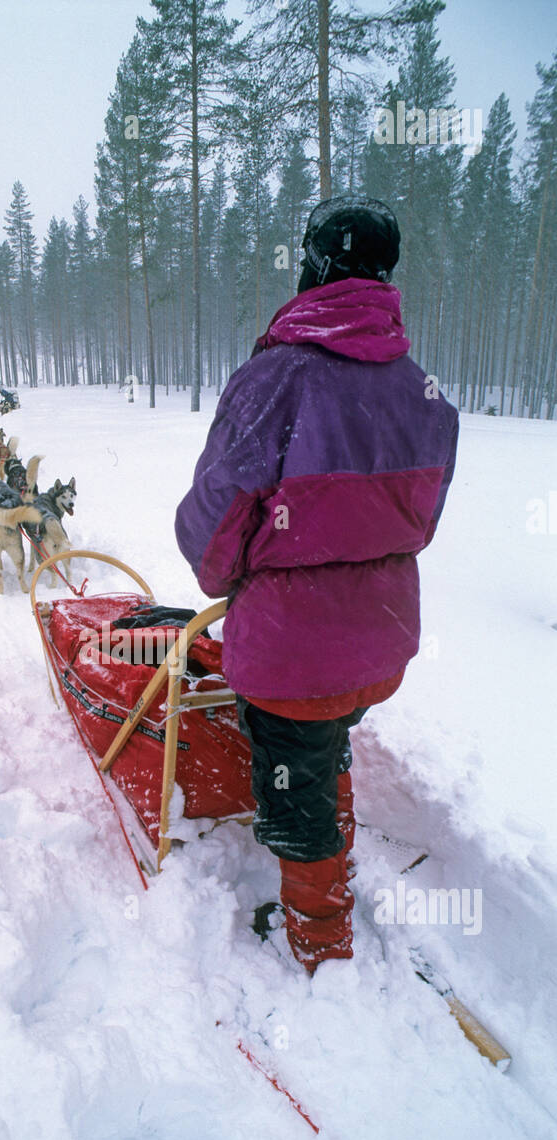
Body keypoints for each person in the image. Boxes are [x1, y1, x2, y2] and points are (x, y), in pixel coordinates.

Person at [175, 195, 459, 974]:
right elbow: (419, 523)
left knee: (293, 780)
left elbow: (214, 520)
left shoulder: (276, 378)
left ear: (315, 265)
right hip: (381, 643)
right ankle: (329, 837)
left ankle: (320, 941)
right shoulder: (427, 393)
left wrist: (229, 576)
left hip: (292, 652)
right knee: (320, 743)